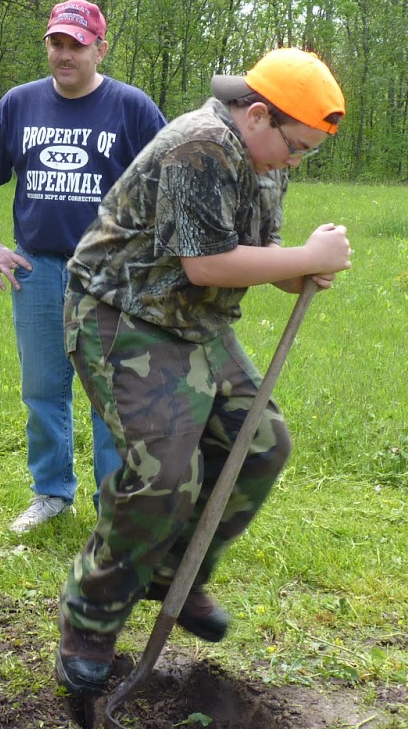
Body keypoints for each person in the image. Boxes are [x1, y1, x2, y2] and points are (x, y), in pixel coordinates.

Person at [53, 46, 353, 694]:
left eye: (308, 153)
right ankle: (91, 617)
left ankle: (174, 575)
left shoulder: (266, 158)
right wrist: (302, 255)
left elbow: (252, 253)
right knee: (164, 474)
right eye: (296, 147)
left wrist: (300, 268)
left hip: (192, 321)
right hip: (119, 311)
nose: (296, 162)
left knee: (262, 444)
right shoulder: (201, 145)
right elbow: (208, 264)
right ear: (257, 115)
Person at [0, 0, 165, 534]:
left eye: (77, 44)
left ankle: (113, 503)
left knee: (110, 392)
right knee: (42, 387)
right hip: (38, 269)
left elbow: (170, 183)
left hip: (110, 275)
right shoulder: (19, 104)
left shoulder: (132, 108)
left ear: (100, 47)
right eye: (57, 42)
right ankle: (51, 492)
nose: (65, 53)